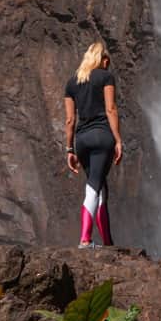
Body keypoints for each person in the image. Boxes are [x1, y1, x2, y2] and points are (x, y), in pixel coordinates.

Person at [63, 41, 123, 247]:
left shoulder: (72, 83)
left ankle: (107, 242)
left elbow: (70, 120)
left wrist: (69, 149)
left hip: (82, 141)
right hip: (101, 137)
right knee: (93, 186)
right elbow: (111, 109)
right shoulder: (106, 77)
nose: (108, 65)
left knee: (99, 185)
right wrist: (118, 139)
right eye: (108, 62)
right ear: (103, 60)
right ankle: (85, 239)